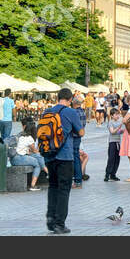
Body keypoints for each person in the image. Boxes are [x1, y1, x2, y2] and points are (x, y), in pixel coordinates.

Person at [41, 88, 87, 234]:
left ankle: (50, 218)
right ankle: (60, 223)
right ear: (70, 99)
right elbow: (81, 132)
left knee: (53, 186)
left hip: (49, 155)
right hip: (65, 155)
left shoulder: (47, 112)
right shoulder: (71, 112)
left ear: (58, 97)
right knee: (64, 189)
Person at [103, 107, 124, 181]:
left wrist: (122, 131)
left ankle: (113, 174)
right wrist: (119, 127)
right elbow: (112, 132)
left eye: (118, 114)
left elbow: (118, 132)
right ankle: (107, 174)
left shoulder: (119, 121)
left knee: (117, 159)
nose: (117, 116)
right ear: (112, 115)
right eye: (116, 114)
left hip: (118, 142)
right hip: (112, 142)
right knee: (111, 159)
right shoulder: (110, 122)